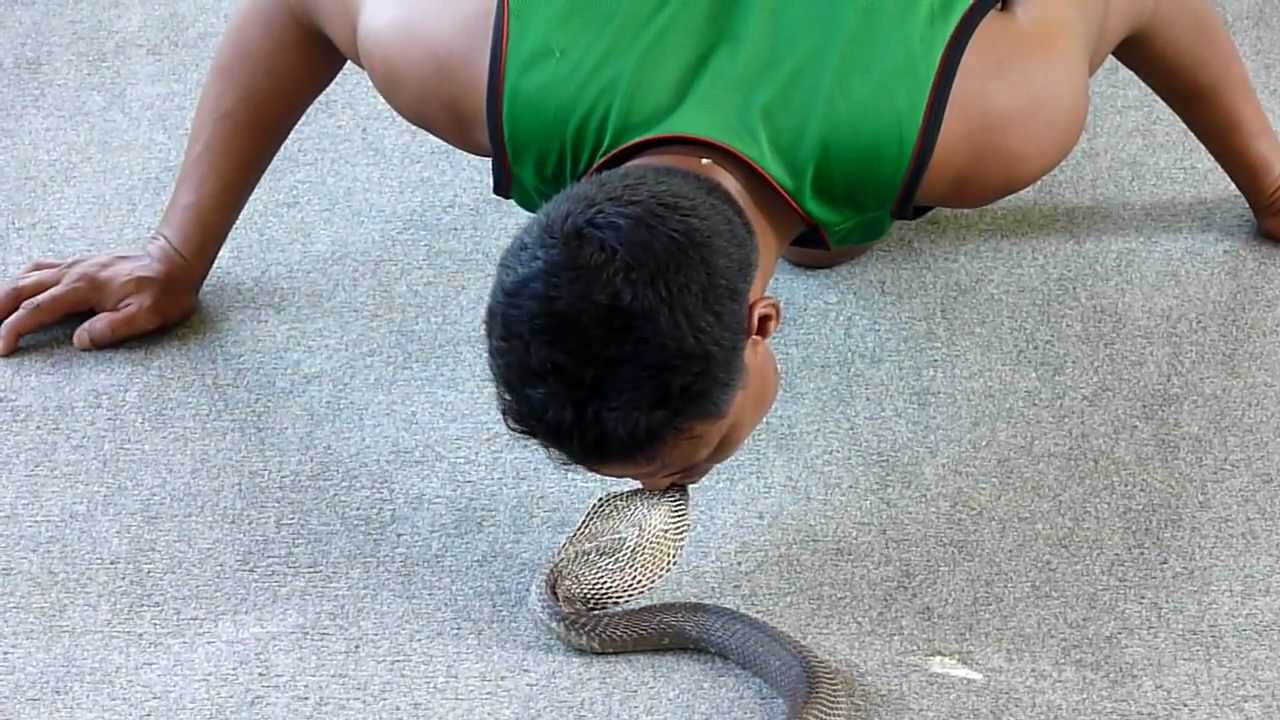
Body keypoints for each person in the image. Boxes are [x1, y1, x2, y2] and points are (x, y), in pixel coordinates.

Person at [3, 0, 1278, 490]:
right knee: (841, 231)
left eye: (699, 453)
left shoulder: (983, 123)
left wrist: (1268, 186)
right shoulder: (473, 67)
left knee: (845, 228)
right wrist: (176, 246)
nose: (680, 482)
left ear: (756, 324)